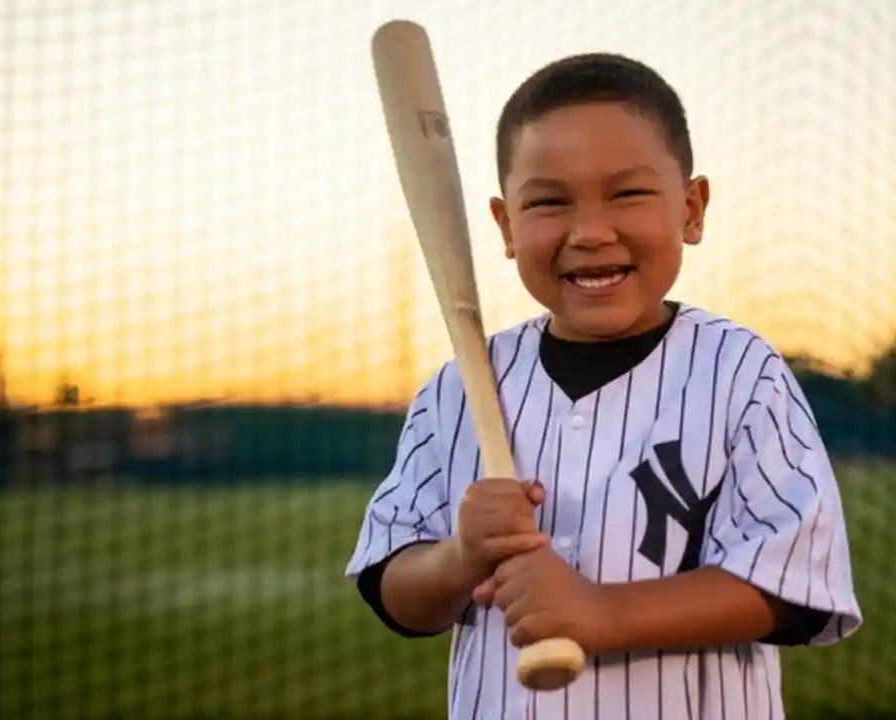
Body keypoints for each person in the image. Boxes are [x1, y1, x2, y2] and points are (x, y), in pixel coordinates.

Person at [346, 50, 862, 719]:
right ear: (506, 227)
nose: (590, 232)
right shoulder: (456, 393)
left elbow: (791, 589)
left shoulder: (739, 372)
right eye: (550, 202)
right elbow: (395, 592)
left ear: (692, 207)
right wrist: (457, 557)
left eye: (628, 193)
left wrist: (602, 613)